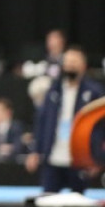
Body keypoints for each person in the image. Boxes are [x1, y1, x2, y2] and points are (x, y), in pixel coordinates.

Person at [26, 46, 105, 193]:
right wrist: (35, 151)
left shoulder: (94, 92)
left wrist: (97, 159)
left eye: (74, 62)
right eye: (68, 61)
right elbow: (42, 121)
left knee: (77, 199)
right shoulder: (53, 90)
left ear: (83, 65)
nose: (70, 65)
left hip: (79, 159)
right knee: (48, 197)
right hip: (53, 157)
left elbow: (100, 127)